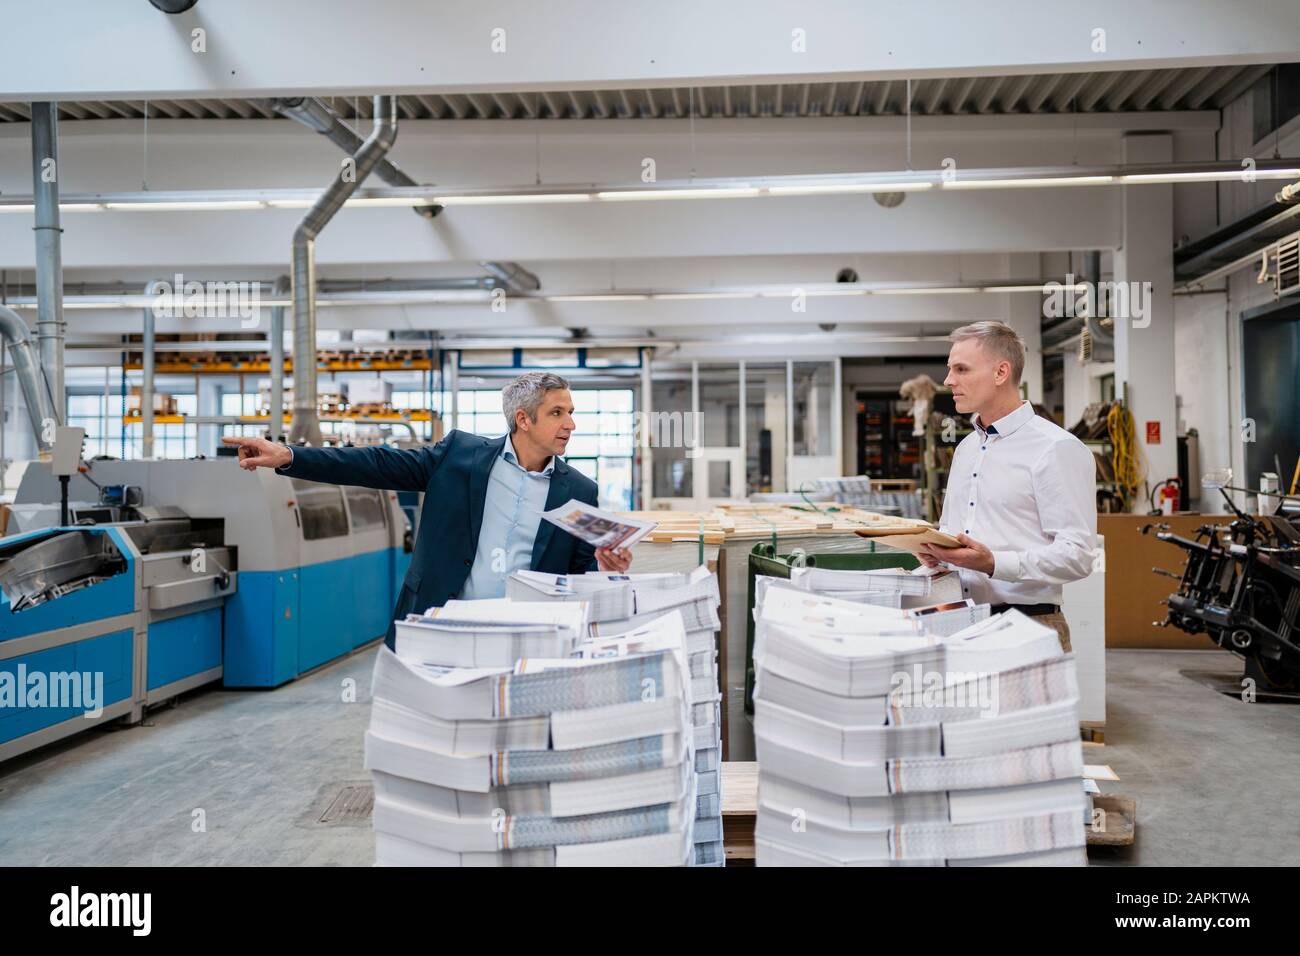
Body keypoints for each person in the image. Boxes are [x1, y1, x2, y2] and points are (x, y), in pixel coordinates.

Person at [222, 371, 632, 646]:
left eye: (572, 413)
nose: (570, 425)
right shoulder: (459, 456)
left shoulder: (578, 490)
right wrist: (289, 455)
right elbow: (375, 464)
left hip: (528, 634)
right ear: (523, 420)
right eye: (557, 413)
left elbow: (581, 574)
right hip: (441, 622)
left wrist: (607, 570)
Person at [916, 321, 1097, 651]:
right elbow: (955, 532)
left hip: (1029, 627)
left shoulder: (1056, 448)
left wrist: (993, 563)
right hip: (958, 621)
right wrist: (938, 555)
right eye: (949, 369)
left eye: (961, 369)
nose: (948, 380)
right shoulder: (966, 449)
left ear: (1001, 373)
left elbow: (1079, 556)